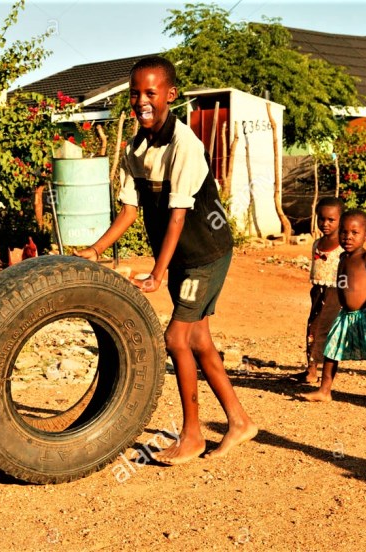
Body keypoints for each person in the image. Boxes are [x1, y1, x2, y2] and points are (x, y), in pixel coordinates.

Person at [75, 56, 257, 463]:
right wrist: (95, 250)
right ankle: (240, 421)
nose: (141, 100)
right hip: (181, 259)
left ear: (170, 96)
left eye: (151, 93)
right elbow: (128, 211)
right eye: (135, 93)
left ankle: (192, 435)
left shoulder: (185, 145)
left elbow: (177, 216)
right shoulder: (136, 147)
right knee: (200, 341)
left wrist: (158, 273)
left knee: (176, 338)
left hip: (205, 254)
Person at [300, 209, 366, 403]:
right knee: (331, 350)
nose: (347, 237)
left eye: (354, 233)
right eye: (343, 232)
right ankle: (324, 391)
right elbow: (342, 283)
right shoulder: (342, 257)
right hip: (345, 315)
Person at [289, 197, 344, 383]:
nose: (325, 224)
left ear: (341, 220)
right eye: (321, 219)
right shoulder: (317, 243)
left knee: (327, 332)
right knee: (312, 328)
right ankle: (311, 370)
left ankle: (327, 376)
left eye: (331, 220)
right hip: (318, 292)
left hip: (336, 294)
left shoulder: (344, 247)